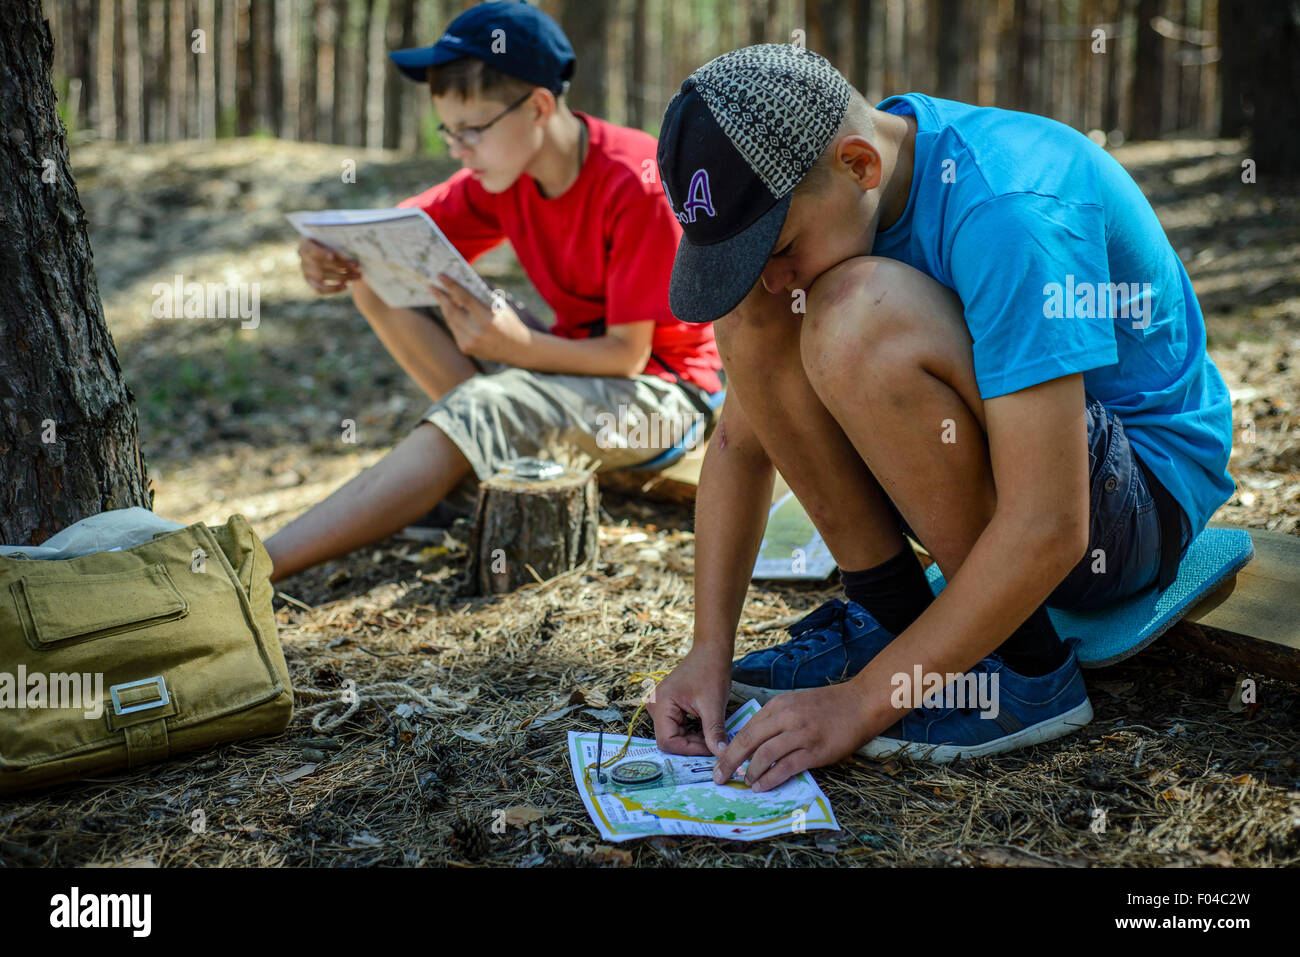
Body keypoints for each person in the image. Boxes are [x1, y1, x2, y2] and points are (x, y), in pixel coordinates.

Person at [646, 44, 1234, 790]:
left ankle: (1026, 673)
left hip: (1133, 507)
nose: (773, 271)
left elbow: (1053, 525)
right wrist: (709, 647)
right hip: (1021, 483)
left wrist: (862, 704)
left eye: (780, 245)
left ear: (858, 165)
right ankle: (896, 622)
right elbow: (739, 440)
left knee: (856, 317)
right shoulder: (856, 191)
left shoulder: (1009, 207)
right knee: (758, 312)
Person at [265, 1, 722, 583]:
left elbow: (625, 356)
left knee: (486, 404)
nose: (457, 149)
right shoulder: (502, 174)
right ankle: (483, 455)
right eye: (448, 132)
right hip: (571, 367)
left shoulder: (636, 183)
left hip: (663, 399)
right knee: (376, 284)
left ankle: (258, 567)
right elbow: (388, 237)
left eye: (472, 130)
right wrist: (332, 253)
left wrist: (516, 350)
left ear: (537, 107)